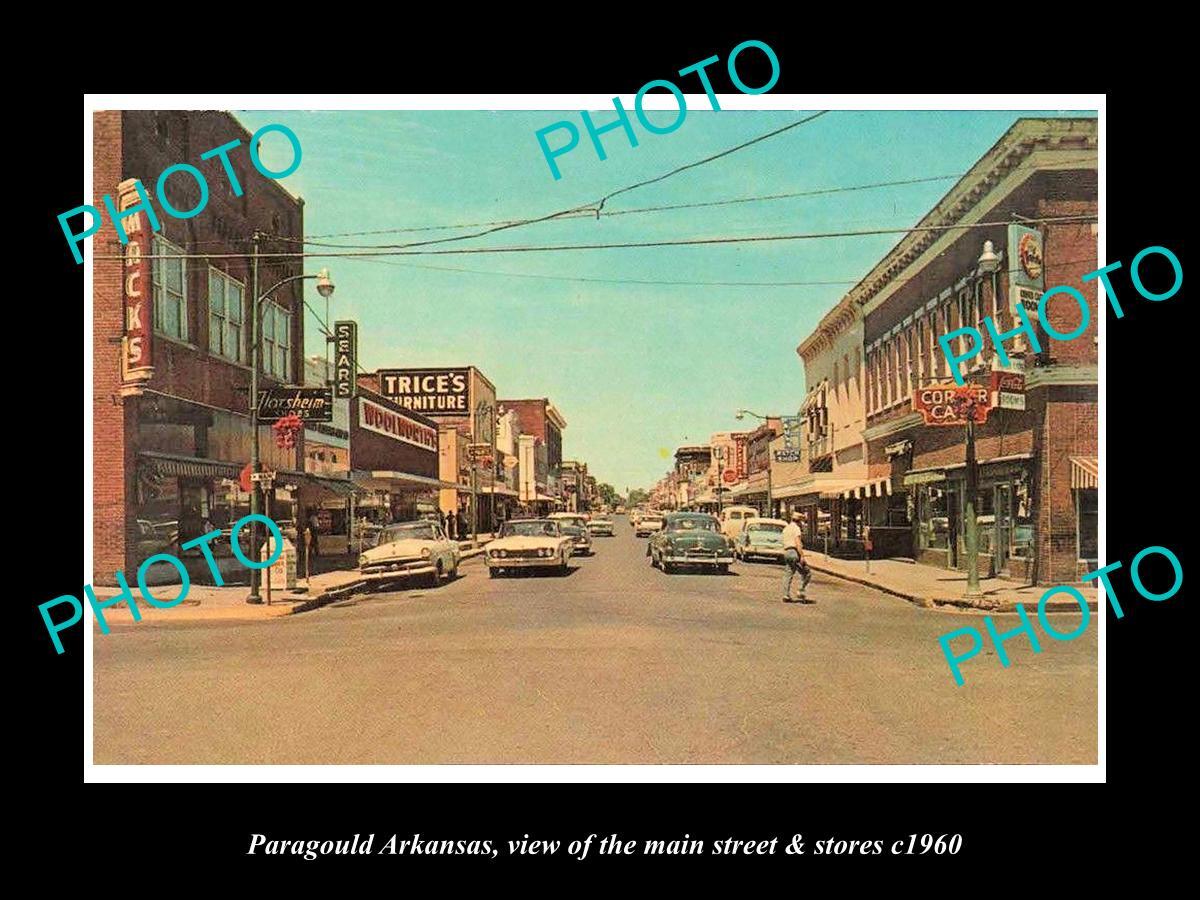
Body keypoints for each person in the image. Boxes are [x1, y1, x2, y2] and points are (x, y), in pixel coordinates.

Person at [781, 511, 813, 603]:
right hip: (794, 552)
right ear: (799, 521)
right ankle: (801, 590)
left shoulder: (786, 528)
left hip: (786, 552)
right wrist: (802, 556)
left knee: (788, 574)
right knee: (807, 572)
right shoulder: (796, 529)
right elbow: (798, 543)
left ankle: (785, 594)